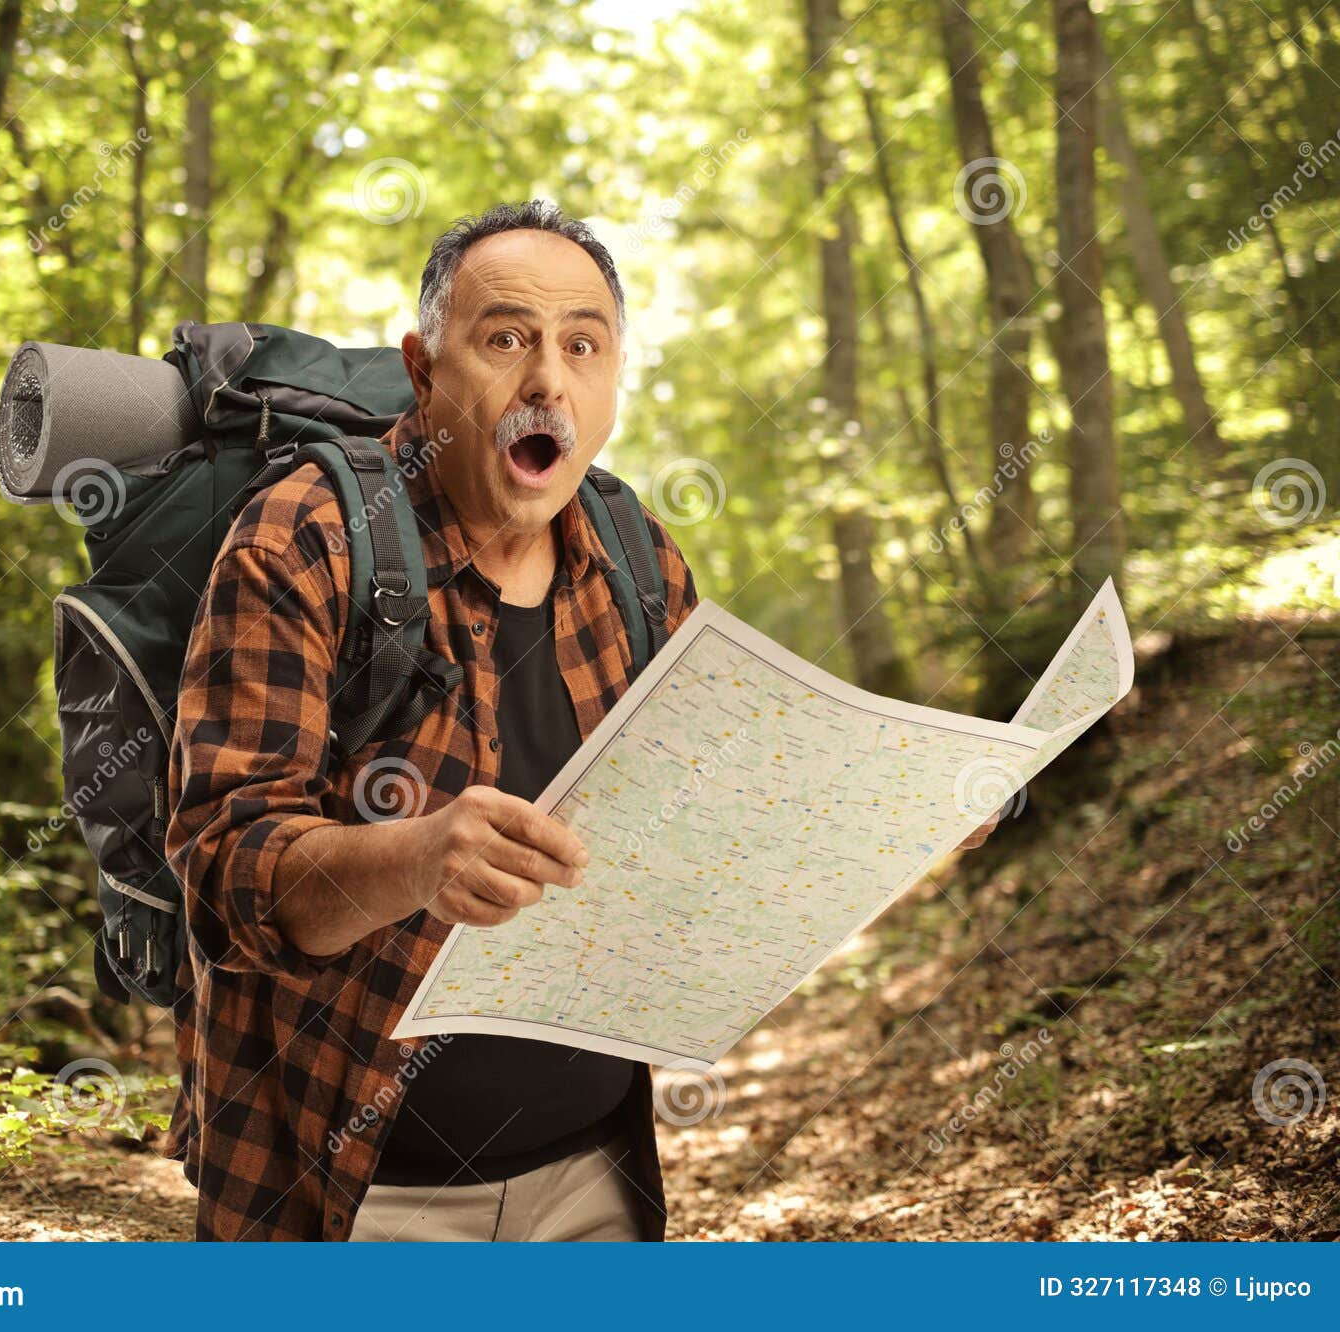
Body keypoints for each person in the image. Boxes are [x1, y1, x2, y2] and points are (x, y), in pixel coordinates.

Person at [162, 199, 994, 1242]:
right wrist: (415, 861)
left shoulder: (630, 548)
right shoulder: (302, 543)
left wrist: (899, 803)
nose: (546, 377)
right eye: (505, 338)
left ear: (610, 384)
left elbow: (713, 803)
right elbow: (221, 877)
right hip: (358, 1198)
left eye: (582, 344)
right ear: (425, 373)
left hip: (597, 1176)